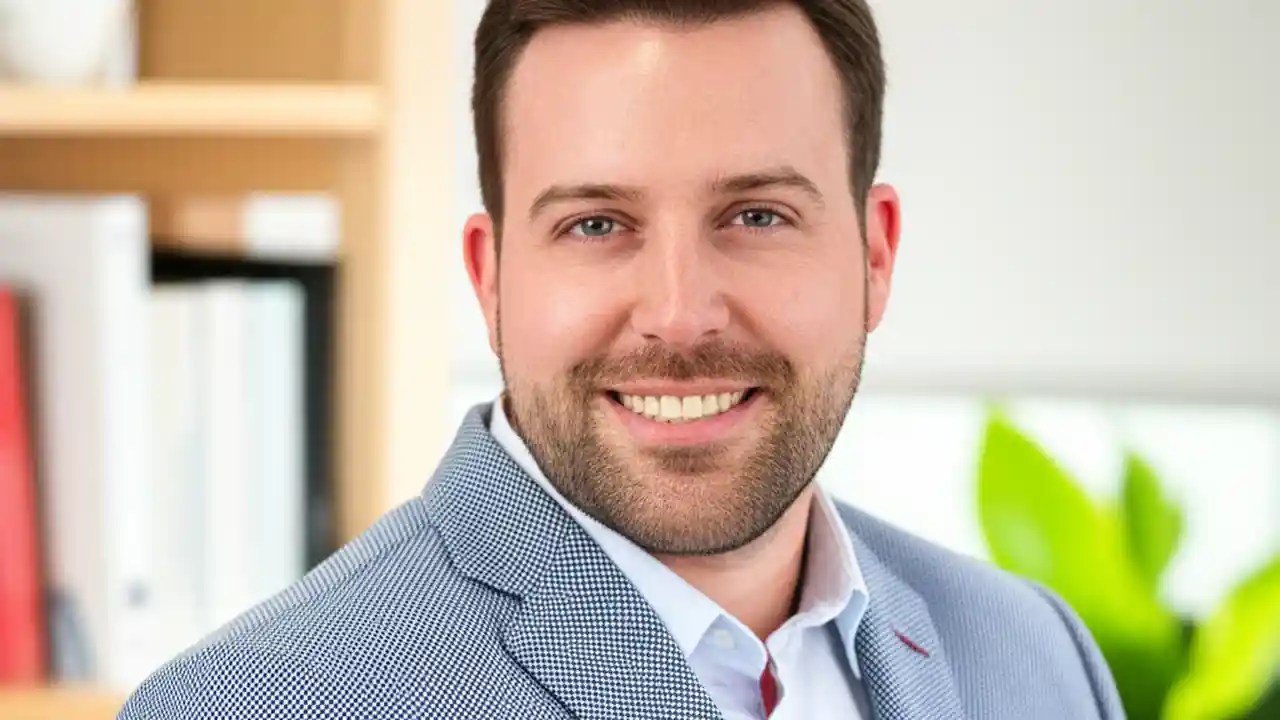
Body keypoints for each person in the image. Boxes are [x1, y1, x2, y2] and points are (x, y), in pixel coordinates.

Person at [120, 1, 1124, 718]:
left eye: (757, 215)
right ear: (490, 278)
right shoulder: (255, 704)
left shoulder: (1035, 659)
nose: (679, 316)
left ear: (874, 255)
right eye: (596, 224)